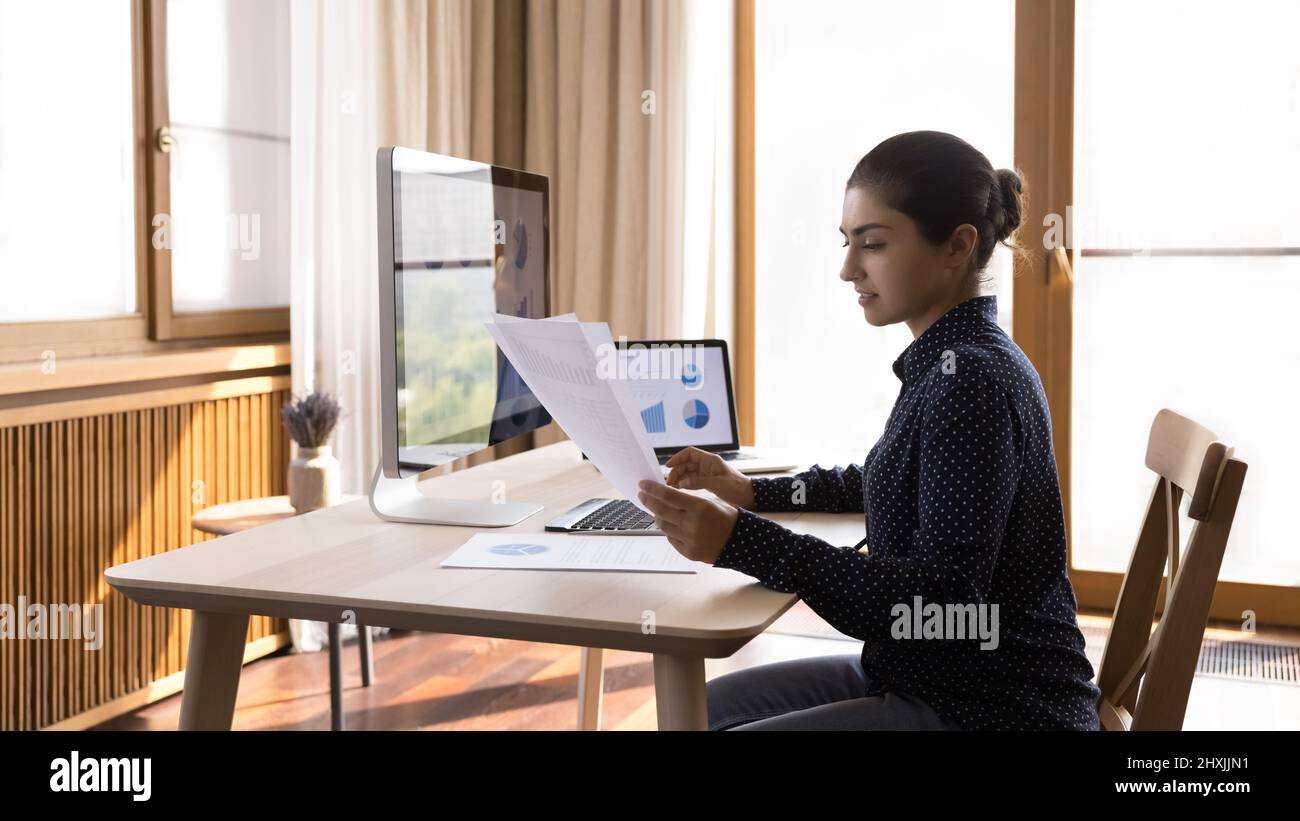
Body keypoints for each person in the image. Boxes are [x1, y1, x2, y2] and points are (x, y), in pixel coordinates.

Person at [636, 130, 1102, 730]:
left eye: (873, 245)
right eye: (847, 244)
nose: (847, 269)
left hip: (993, 707)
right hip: (927, 676)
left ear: (958, 246)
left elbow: (939, 605)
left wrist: (741, 540)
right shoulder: (952, 358)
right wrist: (749, 492)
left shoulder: (970, 380)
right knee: (697, 712)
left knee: (695, 721)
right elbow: (887, 482)